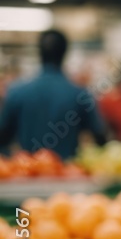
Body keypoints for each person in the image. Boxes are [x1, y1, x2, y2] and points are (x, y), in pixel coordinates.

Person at [0, 29, 107, 159]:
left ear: (39, 52)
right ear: (65, 53)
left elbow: (3, 137)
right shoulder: (80, 95)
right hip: (68, 174)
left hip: (28, 172)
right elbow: (100, 137)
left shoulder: (17, 92)